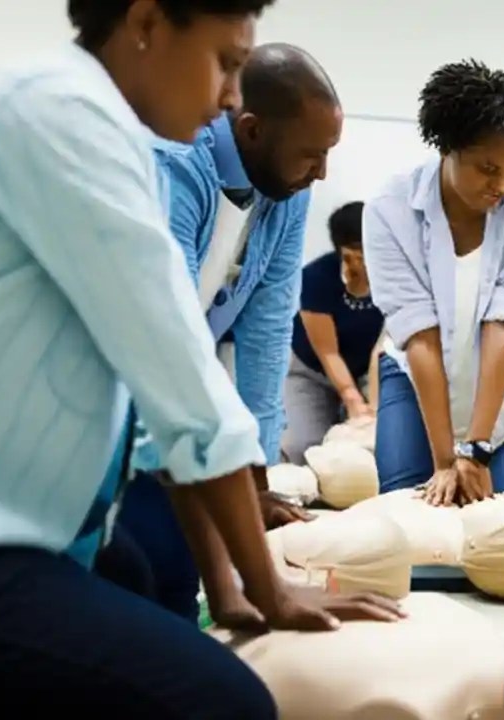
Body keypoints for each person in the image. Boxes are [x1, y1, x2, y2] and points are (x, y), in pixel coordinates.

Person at [0, 1, 397, 715]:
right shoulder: (64, 121)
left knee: (146, 587)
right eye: (226, 63)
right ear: (145, 24)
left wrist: (230, 591)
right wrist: (266, 587)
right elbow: (176, 371)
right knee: (227, 701)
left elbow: (169, 397)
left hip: (53, 523)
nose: (232, 95)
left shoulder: (101, 129)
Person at [107, 41, 345, 622]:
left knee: (180, 582)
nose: (323, 172)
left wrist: (257, 477)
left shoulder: (286, 192)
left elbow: (266, 333)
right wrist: (252, 583)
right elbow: (172, 352)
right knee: (150, 577)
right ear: (253, 130)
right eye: (311, 154)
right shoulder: (174, 167)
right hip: (114, 404)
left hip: (178, 401)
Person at [365, 59, 504, 508]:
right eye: (487, 169)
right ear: (447, 147)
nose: (502, 185)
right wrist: (446, 459)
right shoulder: (390, 209)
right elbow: (420, 336)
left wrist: (477, 450)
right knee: (412, 523)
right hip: (417, 377)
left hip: (500, 383)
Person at [282, 201, 384, 464]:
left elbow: (380, 348)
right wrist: (350, 398)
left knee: (380, 437)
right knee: (302, 446)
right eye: (360, 254)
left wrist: (373, 403)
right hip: (311, 371)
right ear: (343, 252)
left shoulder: (391, 273)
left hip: (366, 369)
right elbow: (328, 352)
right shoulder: (316, 279)